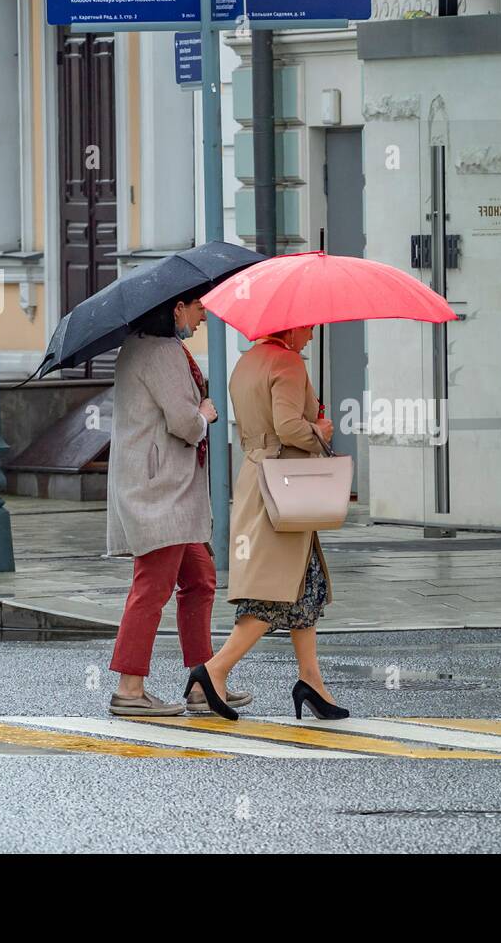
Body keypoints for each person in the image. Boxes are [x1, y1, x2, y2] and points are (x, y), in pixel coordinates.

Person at [186, 324, 348, 722]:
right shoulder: (287, 362)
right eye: (307, 329)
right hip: (284, 484)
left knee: (304, 585)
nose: (310, 336)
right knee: (273, 589)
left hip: (257, 478)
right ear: (290, 328)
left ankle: (311, 680)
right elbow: (289, 427)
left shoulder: (246, 363)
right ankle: (214, 670)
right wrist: (320, 432)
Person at [104, 294, 252, 716]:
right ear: (176, 308)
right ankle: (130, 689)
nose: (205, 314)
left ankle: (203, 684)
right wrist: (205, 413)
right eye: (198, 306)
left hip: (167, 492)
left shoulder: (143, 345)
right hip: (160, 493)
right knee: (152, 586)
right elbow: (186, 423)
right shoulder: (161, 351)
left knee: (200, 580)